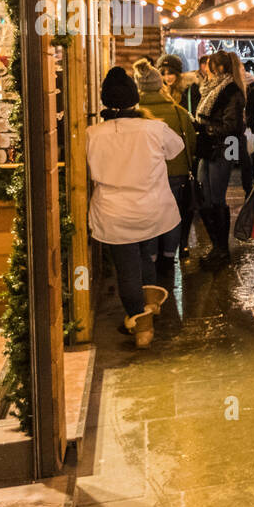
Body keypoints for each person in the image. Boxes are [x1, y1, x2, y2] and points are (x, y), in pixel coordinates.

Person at [88, 67, 184, 347]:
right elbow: (176, 149)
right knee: (147, 255)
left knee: (127, 267)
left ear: (105, 101)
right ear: (135, 98)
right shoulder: (154, 128)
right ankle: (151, 304)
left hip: (114, 212)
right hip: (153, 208)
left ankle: (141, 326)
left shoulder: (93, 133)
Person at [134, 59, 196, 273]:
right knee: (172, 215)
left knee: (150, 216)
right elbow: (190, 145)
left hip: (145, 175)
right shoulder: (178, 112)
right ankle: (169, 257)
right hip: (176, 174)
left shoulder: (134, 113)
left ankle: (150, 258)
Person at [194, 49, 246, 267]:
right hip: (209, 148)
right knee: (203, 196)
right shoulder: (210, 89)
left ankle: (221, 248)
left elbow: (231, 126)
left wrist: (205, 129)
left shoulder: (230, 91)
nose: (207, 70)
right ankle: (216, 244)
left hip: (222, 148)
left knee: (216, 198)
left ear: (220, 68)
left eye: (211, 67)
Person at [238, 54, 254, 196]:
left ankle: (252, 178)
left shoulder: (253, 93)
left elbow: (251, 112)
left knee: (250, 154)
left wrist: (248, 123)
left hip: (253, 126)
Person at [183, 54, 212, 123]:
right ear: (200, 64)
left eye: (208, 64)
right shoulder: (193, 79)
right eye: (204, 63)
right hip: (194, 109)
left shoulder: (212, 78)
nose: (205, 66)